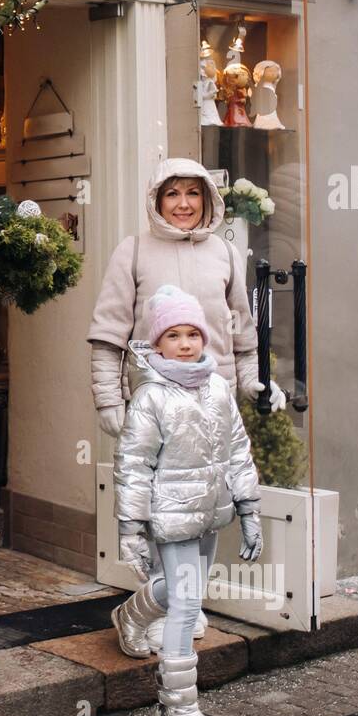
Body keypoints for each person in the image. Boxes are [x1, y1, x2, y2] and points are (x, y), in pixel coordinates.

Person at [88, 157, 283, 642]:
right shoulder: (132, 251)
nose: (182, 204)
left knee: (207, 507)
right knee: (161, 513)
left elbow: (240, 329)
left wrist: (252, 381)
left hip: (211, 406)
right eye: (172, 194)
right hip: (155, 404)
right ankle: (157, 608)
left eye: (192, 194)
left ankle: (186, 603)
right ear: (157, 200)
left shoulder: (224, 254)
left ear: (207, 201)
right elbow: (107, 333)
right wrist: (110, 399)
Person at [110, 286, 263, 716]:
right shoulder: (151, 397)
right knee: (187, 603)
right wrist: (131, 528)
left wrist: (249, 509)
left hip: (209, 514)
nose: (184, 343)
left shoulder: (217, 386)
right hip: (171, 517)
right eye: (173, 335)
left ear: (203, 337)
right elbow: (133, 465)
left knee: (185, 589)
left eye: (192, 333)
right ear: (157, 344)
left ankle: (129, 616)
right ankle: (177, 709)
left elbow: (238, 450)